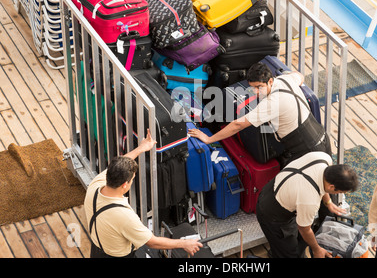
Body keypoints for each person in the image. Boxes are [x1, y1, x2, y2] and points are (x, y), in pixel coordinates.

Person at [84, 129, 203, 258]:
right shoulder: (124, 216)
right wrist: (184, 244)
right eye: (132, 179)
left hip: (98, 248)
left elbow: (122, 162)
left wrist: (141, 148)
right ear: (125, 184)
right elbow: (152, 242)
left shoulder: (95, 185)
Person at [188, 62, 331, 166]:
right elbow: (298, 76)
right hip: (322, 138)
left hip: (307, 150)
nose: (256, 92)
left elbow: (238, 124)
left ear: (270, 81)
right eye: (253, 88)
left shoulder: (272, 103)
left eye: (259, 87)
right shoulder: (284, 80)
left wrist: (209, 139)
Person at [255, 151, 359, 258]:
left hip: (274, 188)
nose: (339, 194)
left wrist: (328, 202)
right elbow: (304, 228)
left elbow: (323, 183)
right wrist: (317, 249)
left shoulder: (322, 158)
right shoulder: (310, 201)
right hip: (272, 213)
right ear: (332, 187)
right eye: (340, 192)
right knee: (289, 254)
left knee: (299, 241)